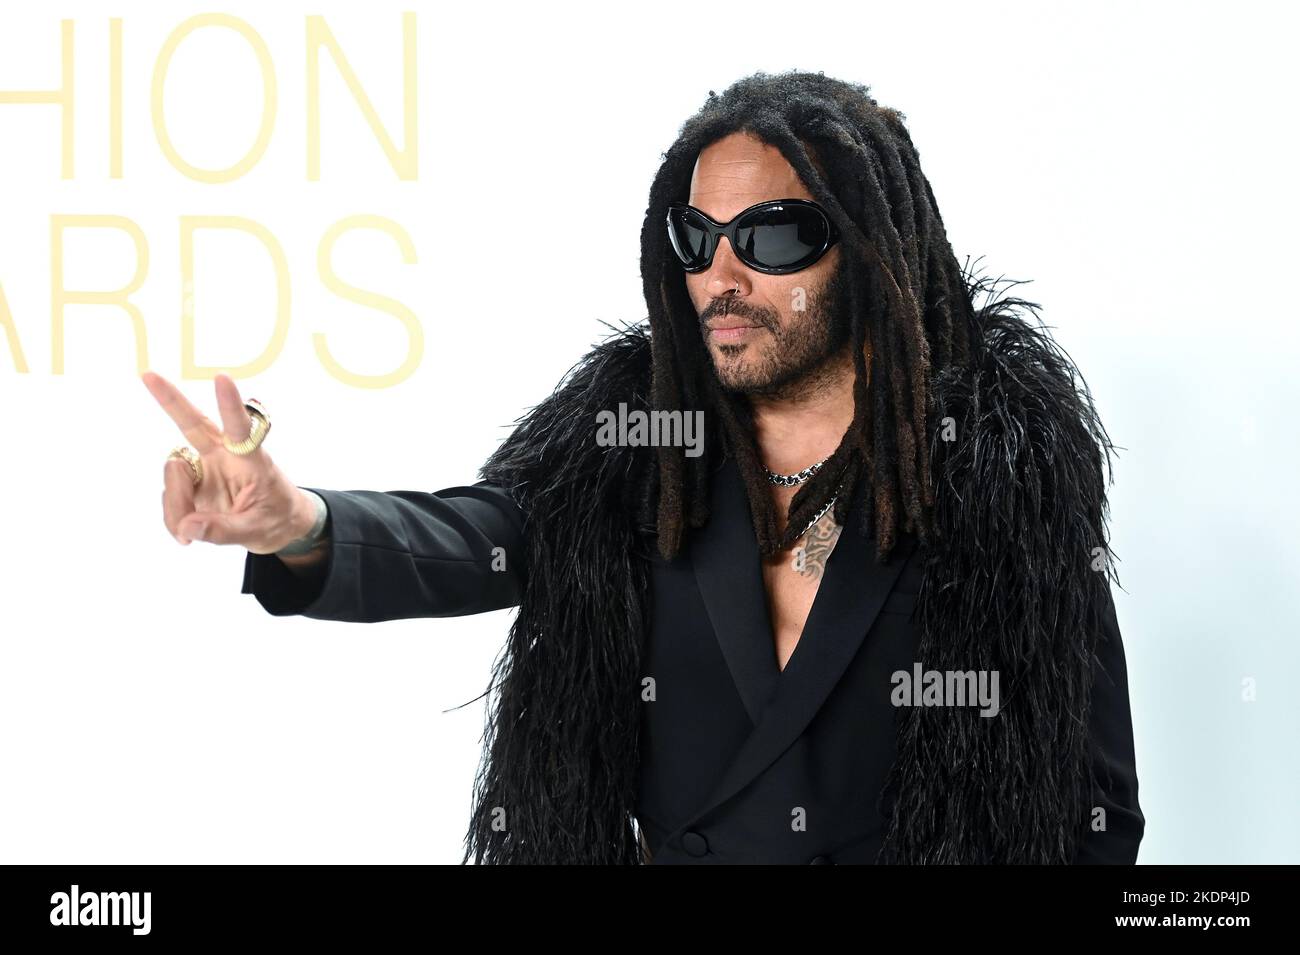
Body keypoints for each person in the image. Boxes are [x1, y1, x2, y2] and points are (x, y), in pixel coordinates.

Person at [144, 70, 1144, 865]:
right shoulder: (635, 441)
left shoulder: (1000, 478)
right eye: (696, 236)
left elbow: (1096, 806)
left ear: (873, 253)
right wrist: (302, 524)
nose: (722, 271)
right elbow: (481, 537)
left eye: (774, 236)